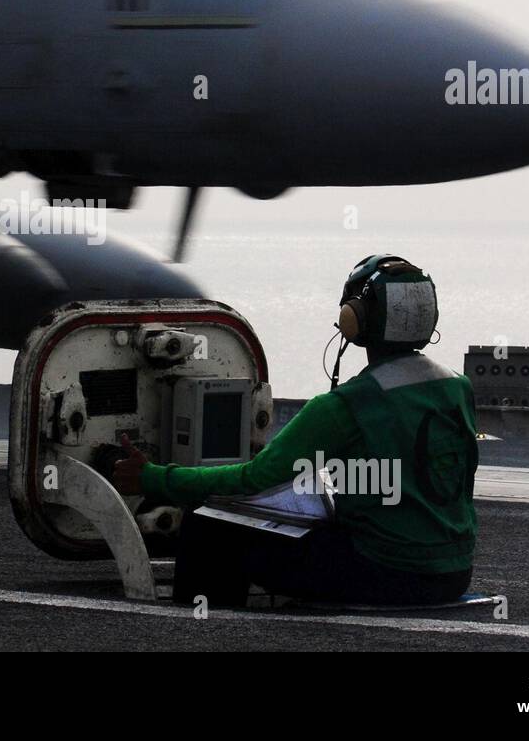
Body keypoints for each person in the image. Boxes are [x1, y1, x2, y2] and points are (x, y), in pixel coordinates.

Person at [112, 254, 479, 607]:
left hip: (388, 574)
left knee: (209, 524)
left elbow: (255, 479)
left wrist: (155, 478)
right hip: (453, 574)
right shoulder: (458, 388)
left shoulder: (344, 405)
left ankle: (201, 632)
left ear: (353, 319)